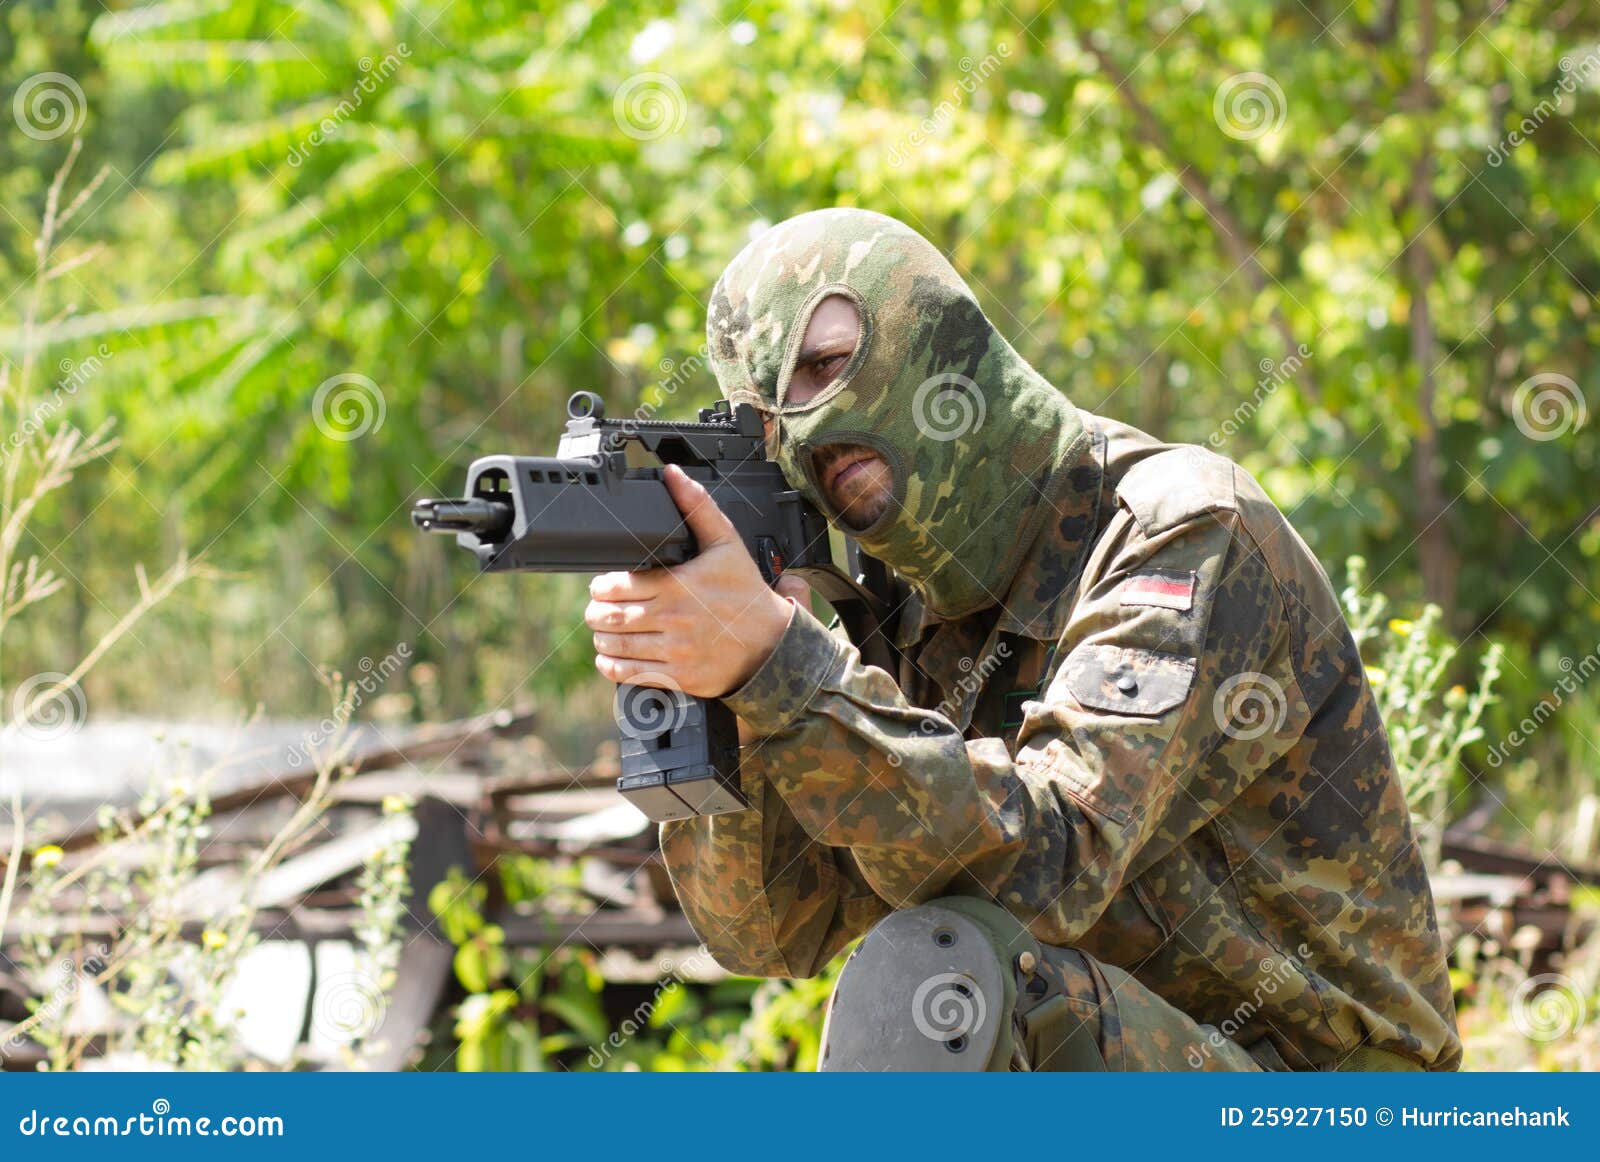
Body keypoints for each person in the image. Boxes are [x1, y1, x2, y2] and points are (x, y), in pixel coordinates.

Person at [583, 208, 1461, 1071]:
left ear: (937, 343)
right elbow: (775, 930)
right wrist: (732, 698)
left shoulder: (1181, 527)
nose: (805, 426)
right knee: (930, 980)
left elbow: (1053, 866)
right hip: (1144, 1063)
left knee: (944, 979)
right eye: (768, 417)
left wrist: (782, 666)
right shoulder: (900, 604)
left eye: (828, 366)